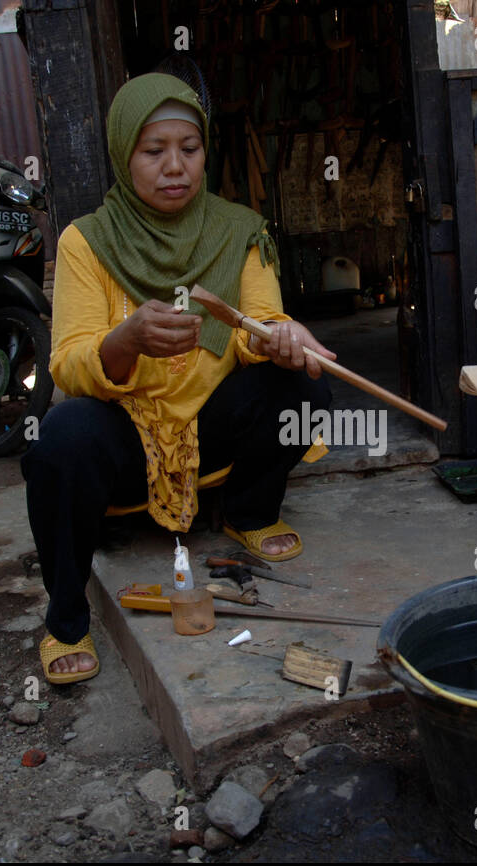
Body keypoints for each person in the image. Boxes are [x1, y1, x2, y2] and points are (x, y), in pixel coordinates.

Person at [21, 73, 333, 684]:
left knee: (304, 389)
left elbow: (257, 322)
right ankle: (65, 619)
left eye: (188, 150)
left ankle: (248, 511)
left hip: (207, 427)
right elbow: (68, 363)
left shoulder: (240, 229)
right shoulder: (86, 241)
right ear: (123, 154)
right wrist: (124, 340)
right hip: (127, 444)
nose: (175, 167)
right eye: (152, 150)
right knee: (60, 435)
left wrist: (280, 337)